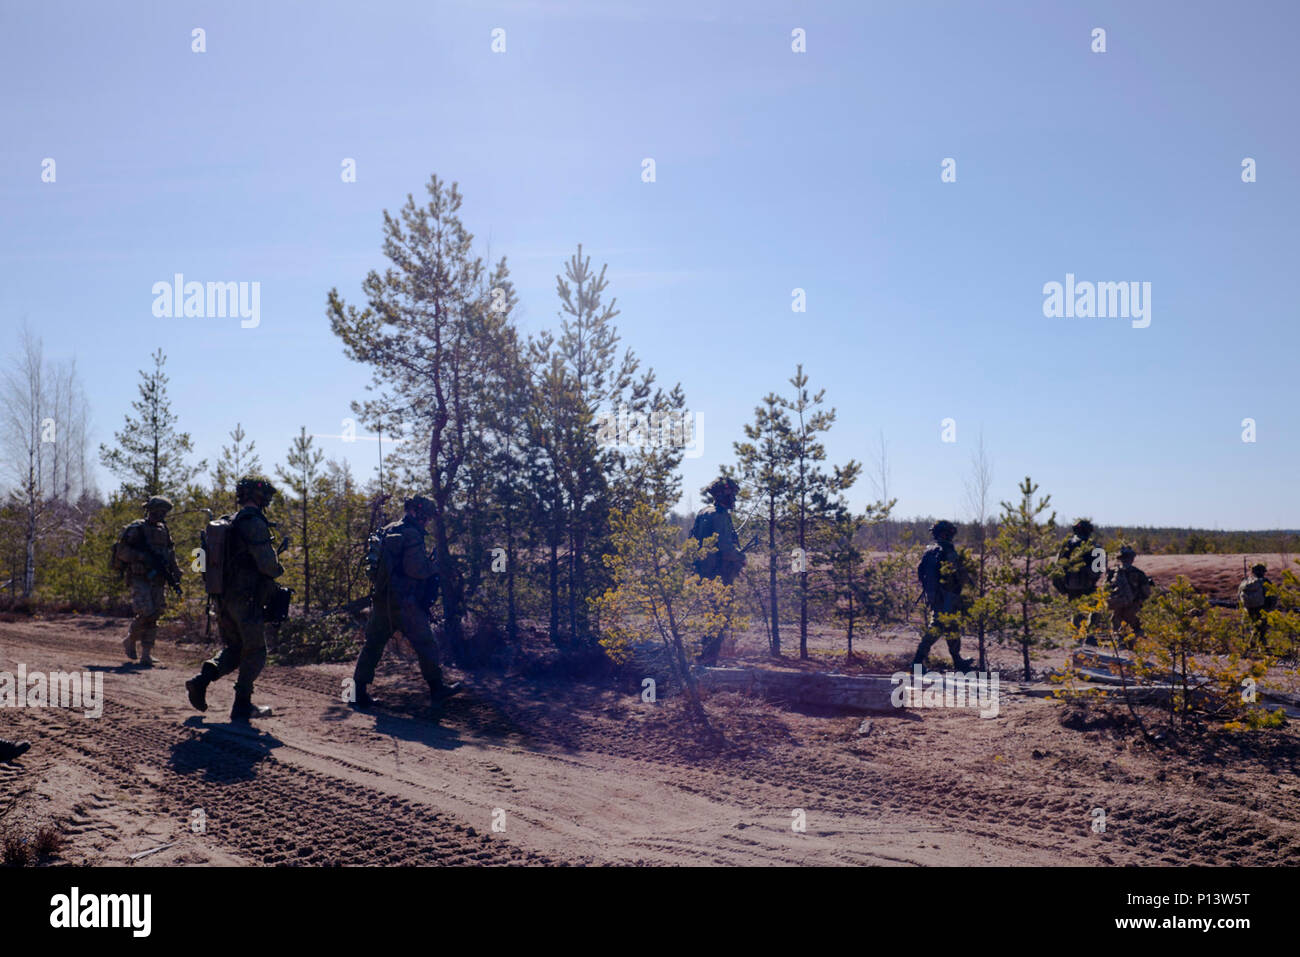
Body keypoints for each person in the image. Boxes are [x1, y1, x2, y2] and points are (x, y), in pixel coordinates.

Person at [185, 477, 284, 723]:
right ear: (260, 497)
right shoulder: (252, 522)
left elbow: (199, 561)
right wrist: (277, 571)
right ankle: (242, 706)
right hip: (246, 598)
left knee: (236, 648)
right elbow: (269, 565)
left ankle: (201, 681)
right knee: (257, 651)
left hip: (221, 597)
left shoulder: (227, 521)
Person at [350, 496, 460, 711]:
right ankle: (437, 689)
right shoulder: (412, 535)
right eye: (426, 517)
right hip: (406, 604)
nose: (427, 522)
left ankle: (357, 693)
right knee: (426, 643)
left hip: (383, 600)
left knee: (373, 645)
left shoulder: (389, 529)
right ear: (418, 513)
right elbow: (416, 570)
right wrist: (434, 567)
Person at [112, 495, 183, 667]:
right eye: (158, 511)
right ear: (150, 510)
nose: (161, 515)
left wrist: (176, 572)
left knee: (156, 613)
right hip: (139, 578)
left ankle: (146, 654)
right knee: (146, 612)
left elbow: (170, 554)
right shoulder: (137, 529)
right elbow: (122, 551)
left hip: (158, 578)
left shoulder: (164, 530)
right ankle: (130, 639)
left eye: (164, 512)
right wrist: (141, 557)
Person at [690, 477, 746, 666]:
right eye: (733, 495)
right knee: (719, 617)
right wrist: (740, 557)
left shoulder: (703, 513)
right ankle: (708, 662)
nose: (735, 499)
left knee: (711, 616)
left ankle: (703, 658)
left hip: (704, 575)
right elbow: (726, 549)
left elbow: (693, 542)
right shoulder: (720, 515)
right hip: (719, 576)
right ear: (725, 494)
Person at [912, 520, 975, 672]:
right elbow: (959, 573)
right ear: (946, 533)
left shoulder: (929, 550)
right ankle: (917, 663)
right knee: (937, 627)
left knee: (951, 627)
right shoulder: (947, 550)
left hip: (935, 595)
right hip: (947, 595)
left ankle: (958, 661)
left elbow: (920, 572)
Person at [1054, 519, 1104, 638]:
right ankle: (1088, 635)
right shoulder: (1096, 547)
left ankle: (1078, 635)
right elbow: (1099, 569)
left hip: (1072, 585)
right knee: (1096, 608)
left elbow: (1057, 567)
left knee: (1077, 611)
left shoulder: (1067, 546)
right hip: (1087, 584)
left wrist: (1062, 586)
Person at [1106, 545, 1153, 644]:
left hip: (1116, 605)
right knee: (1135, 627)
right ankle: (1134, 645)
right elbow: (1147, 593)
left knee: (1117, 626)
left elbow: (1105, 589)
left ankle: (1119, 643)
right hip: (1133, 606)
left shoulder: (1112, 572)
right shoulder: (1138, 573)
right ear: (1132, 558)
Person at [1237, 562, 1276, 650]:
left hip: (1249, 608)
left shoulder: (1245, 581)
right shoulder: (1265, 582)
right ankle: (1259, 647)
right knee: (1262, 628)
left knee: (1255, 626)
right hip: (1261, 607)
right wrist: (1270, 607)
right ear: (1263, 572)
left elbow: (1238, 595)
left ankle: (1253, 646)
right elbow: (1272, 595)